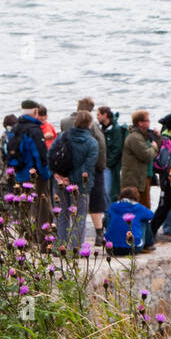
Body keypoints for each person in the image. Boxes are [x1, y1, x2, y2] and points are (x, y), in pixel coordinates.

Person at [60, 98, 108, 246]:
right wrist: (100, 167)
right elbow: (100, 145)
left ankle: (67, 237)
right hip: (91, 168)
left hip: (71, 168)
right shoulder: (91, 125)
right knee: (95, 201)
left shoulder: (64, 122)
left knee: (70, 203)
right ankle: (99, 233)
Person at [50, 110, 97, 251]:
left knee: (61, 214)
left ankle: (60, 247)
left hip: (58, 181)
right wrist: (71, 179)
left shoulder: (62, 136)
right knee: (79, 216)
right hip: (79, 185)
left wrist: (57, 175)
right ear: (89, 124)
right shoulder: (91, 142)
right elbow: (87, 167)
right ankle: (75, 248)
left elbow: (50, 155)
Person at [7, 99, 52, 239]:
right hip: (35, 175)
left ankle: (24, 239)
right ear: (35, 111)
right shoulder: (34, 130)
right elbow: (39, 155)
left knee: (24, 208)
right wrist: (45, 174)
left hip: (20, 173)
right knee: (42, 208)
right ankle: (44, 242)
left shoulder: (15, 128)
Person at [120, 111, 159, 208]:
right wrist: (154, 147)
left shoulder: (144, 135)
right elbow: (147, 155)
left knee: (145, 205)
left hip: (143, 176)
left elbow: (156, 148)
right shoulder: (135, 138)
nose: (149, 122)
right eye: (147, 120)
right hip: (135, 179)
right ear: (140, 123)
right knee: (140, 206)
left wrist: (157, 137)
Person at [104, 185, 155, 254]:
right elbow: (151, 215)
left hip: (111, 248)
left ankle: (112, 237)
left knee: (109, 217)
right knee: (144, 220)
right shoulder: (138, 207)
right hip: (133, 247)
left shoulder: (113, 206)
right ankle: (149, 244)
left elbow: (104, 221)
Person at [97, 106, 125, 202]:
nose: (97, 117)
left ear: (105, 115)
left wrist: (107, 164)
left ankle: (110, 214)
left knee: (109, 192)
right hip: (103, 165)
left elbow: (117, 149)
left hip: (110, 166)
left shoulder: (116, 129)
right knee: (104, 192)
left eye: (98, 115)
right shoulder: (102, 129)